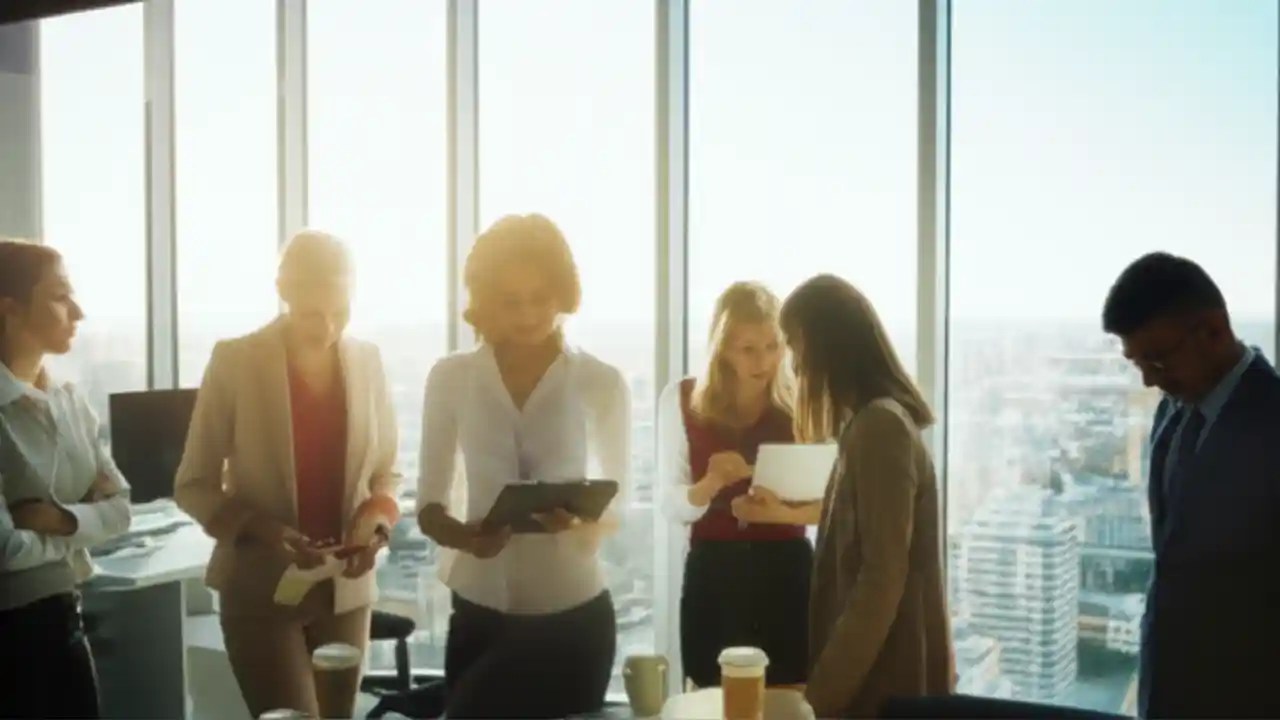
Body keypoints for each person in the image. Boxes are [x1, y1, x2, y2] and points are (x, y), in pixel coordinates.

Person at [174, 230, 401, 719]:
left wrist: (377, 526)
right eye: (312, 313)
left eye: (340, 311)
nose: (327, 326)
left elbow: (387, 474)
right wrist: (266, 530)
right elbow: (193, 485)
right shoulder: (235, 360)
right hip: (261, 585)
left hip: (345, 589)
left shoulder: (367, 361)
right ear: (283, 290)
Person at [417, 213, 630, 719]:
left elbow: (618, 507)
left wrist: (581, 524)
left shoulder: (601, 382)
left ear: (563, 293)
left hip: (574, 616)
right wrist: (467, 538)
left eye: (541, 297)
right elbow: (428, 507)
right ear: (486, 301)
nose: (529, 313)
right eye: (511, 301)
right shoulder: (450, 378)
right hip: (480, 614)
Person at [1102, 252, 1280, 719]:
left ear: (1214, 331)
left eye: (1157, 359)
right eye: (1136, 363)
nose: (1148, 381)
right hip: (1168, 686)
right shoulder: (1172, 409)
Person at [780, 274, 953, 719]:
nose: (794, 368)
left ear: (823, 345)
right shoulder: (869, 425)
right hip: (879, 679)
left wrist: (821, 697)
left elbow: (881, 579)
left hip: (884, 686)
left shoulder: (881, 428)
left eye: (795, 347)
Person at [658, 281, 820, 690]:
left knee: (790, 697)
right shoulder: (681, 399)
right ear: (723, 349)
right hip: (715, 570)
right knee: (712, 697)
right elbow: (672, 505)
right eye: (748, 349)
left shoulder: (803, 401)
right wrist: (710, 483)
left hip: (787, 571)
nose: (763, 361)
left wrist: (778, 513)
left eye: (772, 346)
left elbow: (831, 502)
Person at [0, 239, 133, 719]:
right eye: (59, 296)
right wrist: (78, 537)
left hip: (64, 627)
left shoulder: (70, 401)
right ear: (10, 310)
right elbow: (6, 552)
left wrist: (58, 520)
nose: (77, 312)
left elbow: (121, 511)